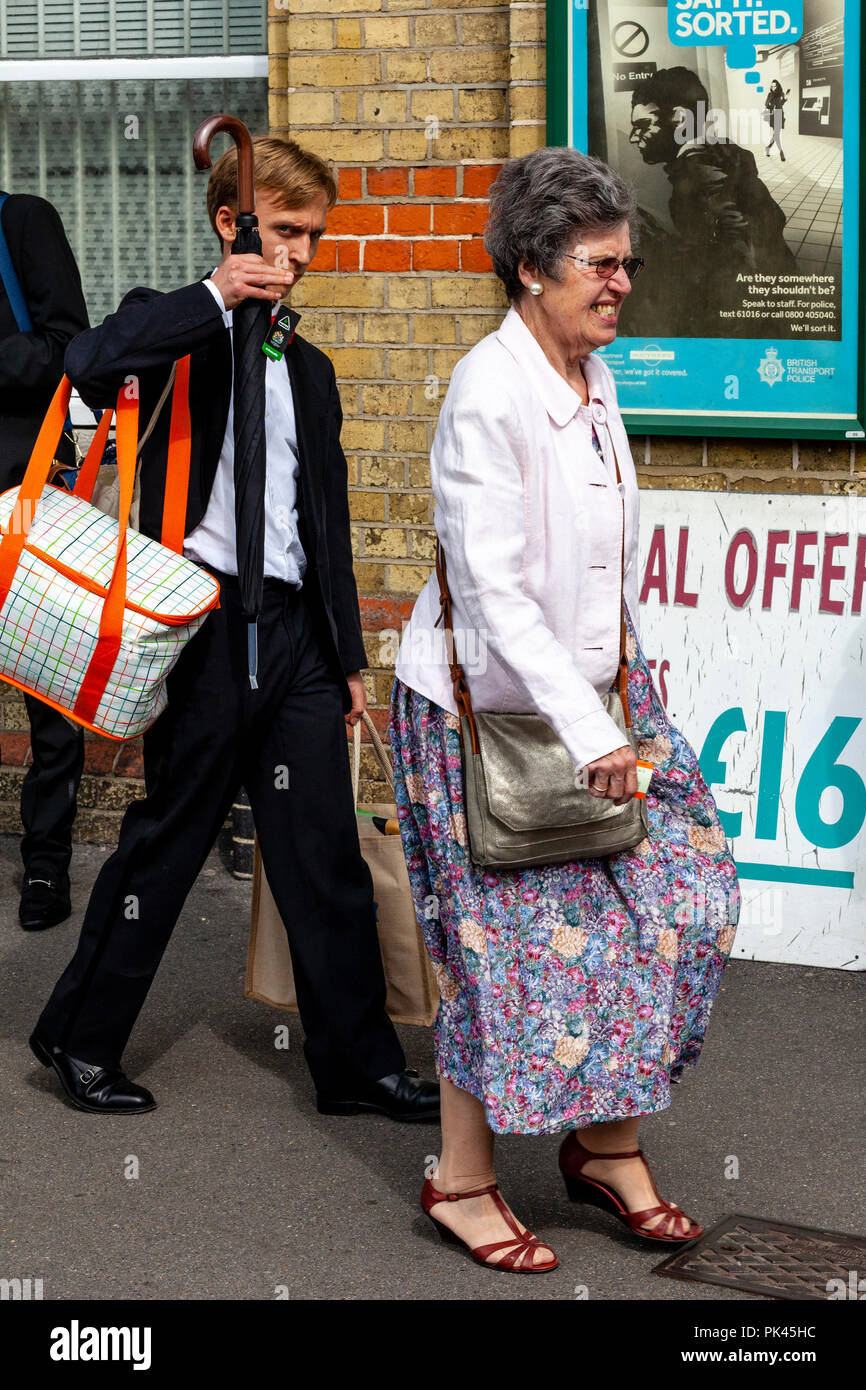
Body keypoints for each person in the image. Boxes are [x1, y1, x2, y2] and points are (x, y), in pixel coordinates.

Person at [30, 136, 438, 1124]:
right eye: (284, 231)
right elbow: (83, 362)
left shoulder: (309, 368)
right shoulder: (169, 330)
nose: (298, 254)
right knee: (166, 841)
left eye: (312, 238)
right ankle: (78, 1039)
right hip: (203, 624)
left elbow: (324, 525)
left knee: (323, 853)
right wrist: (216, 295)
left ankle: (356, 1066)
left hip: (295, 635)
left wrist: (345, 659)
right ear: (233, 221)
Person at [390, 147, 741, 1273]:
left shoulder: (594, 381)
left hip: (592, 700)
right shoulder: (489, 390)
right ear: (532, 266)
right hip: (484, 716)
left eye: (626, 262)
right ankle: (461, 1179)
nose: (620, 282)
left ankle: (602, 1144)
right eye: (599, 263)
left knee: (684, 900)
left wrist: (625, 681)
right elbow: (491, 589)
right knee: (498, 951)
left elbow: (592, 556)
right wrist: (592, 733)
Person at [0, 190, 89, 931]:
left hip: (28, 495)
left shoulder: (19, 220)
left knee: (51, 694)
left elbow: (70, 347)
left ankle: (46, 863)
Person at [628, 66, 795, 335]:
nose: (634, 137)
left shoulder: (697, 174)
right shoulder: (726, 153)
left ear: (680, 119)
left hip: (739, 323)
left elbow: (729, 254)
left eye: (642, 126)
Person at [764, 80, 790, 161]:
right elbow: (766, 104)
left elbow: (781, 104)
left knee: (776, 135)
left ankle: (768, 147)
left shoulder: (781, 94)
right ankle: (781, 153)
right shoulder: (770, 94)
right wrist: (770, 104)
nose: (773, 88)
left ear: (777, 86)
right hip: (773, 115)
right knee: (777, 135)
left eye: (774, 86)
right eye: (772, 86)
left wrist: (785, 98)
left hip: (780, 114)